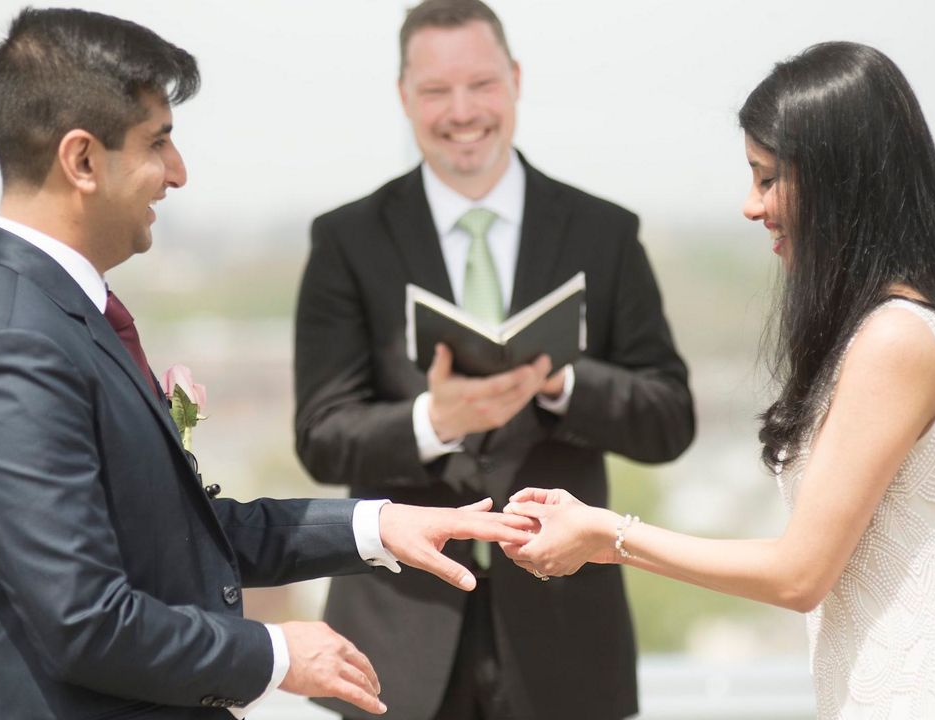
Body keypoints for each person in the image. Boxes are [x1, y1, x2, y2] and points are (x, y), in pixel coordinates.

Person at [0, 9, 534, 719]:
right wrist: (277, 655)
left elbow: (182, 536)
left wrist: (380, 525)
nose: (178, 174)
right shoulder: (11, 346)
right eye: (159, 143)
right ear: (81, 160)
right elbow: (86, 621)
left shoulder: (64, 316)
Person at [503, 41, 935, 719]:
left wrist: (606, 534)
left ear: (840, 183)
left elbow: (799, 574)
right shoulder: (890, 329)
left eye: (767, 179)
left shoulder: (895, 340)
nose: (750, 205)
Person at [293, 1, 695, 717]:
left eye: (480, 84)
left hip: (566, 634)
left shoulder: (603, 233)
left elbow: (670, 419)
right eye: (435, 91)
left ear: (514, 80)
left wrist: (563, 383)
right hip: (395, 638)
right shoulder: (346, 241)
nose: (461, 111)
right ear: (403, 97)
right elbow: (321, 437)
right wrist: (431, 421)